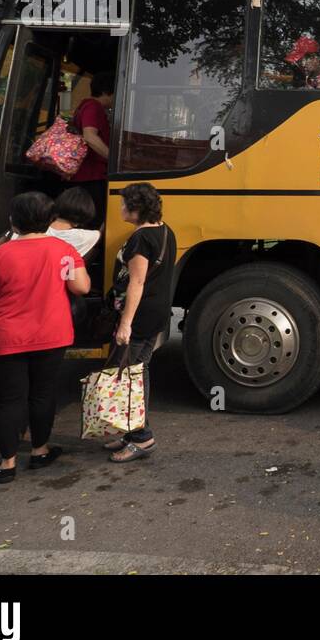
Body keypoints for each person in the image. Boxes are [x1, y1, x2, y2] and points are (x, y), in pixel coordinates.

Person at [0, 192, 89, 482]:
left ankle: (7, 463)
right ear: (49, 220)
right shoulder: (65, 251)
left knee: (9, 399)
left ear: (13, 220)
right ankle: (39, 451)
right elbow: (81, 288)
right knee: (42, 393)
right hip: (52, 334)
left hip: (5, 337)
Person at [102, 183, 176, 463]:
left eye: (124, 204)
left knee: (130, 377)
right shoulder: (165, 230)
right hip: (155, 313)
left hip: (141, 316)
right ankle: (130, 432)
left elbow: (137, 281)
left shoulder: (141, 239)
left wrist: (126, 323)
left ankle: (141, 438)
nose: (120, 208)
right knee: (138, 371)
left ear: (137, 209)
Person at [68, 72, 114, 228]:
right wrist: (114, 159)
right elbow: (90, 136)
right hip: (91, 176)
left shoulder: (85, 106)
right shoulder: (93, 107)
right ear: (107, 92)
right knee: (92, 222)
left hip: (88, 176)